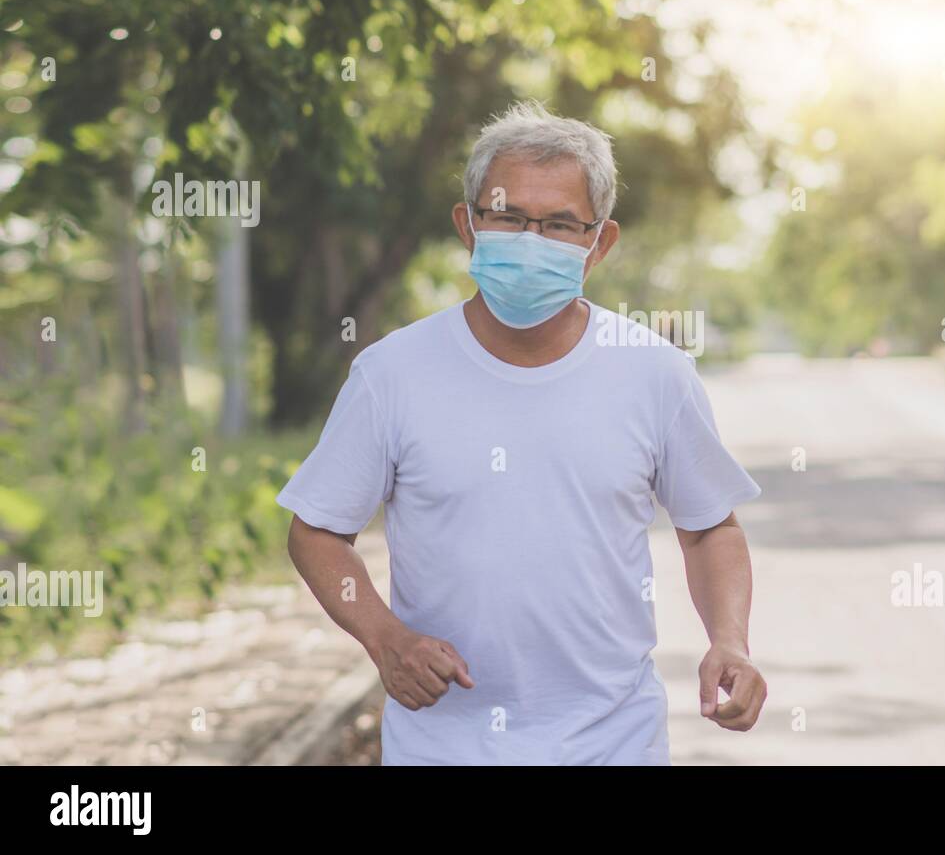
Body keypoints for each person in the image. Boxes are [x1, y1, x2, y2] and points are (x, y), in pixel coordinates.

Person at [278, 100, 766, 765]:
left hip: (613, 742)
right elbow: (316, 530)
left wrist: (730, 641)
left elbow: (710, 527)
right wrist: (383, 636)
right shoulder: (392, 374)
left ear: (601, 244)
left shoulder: (655, 373)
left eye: (561, 223)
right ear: (468, 225)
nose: (531, 240)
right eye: (508, 216)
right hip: (440, 745)